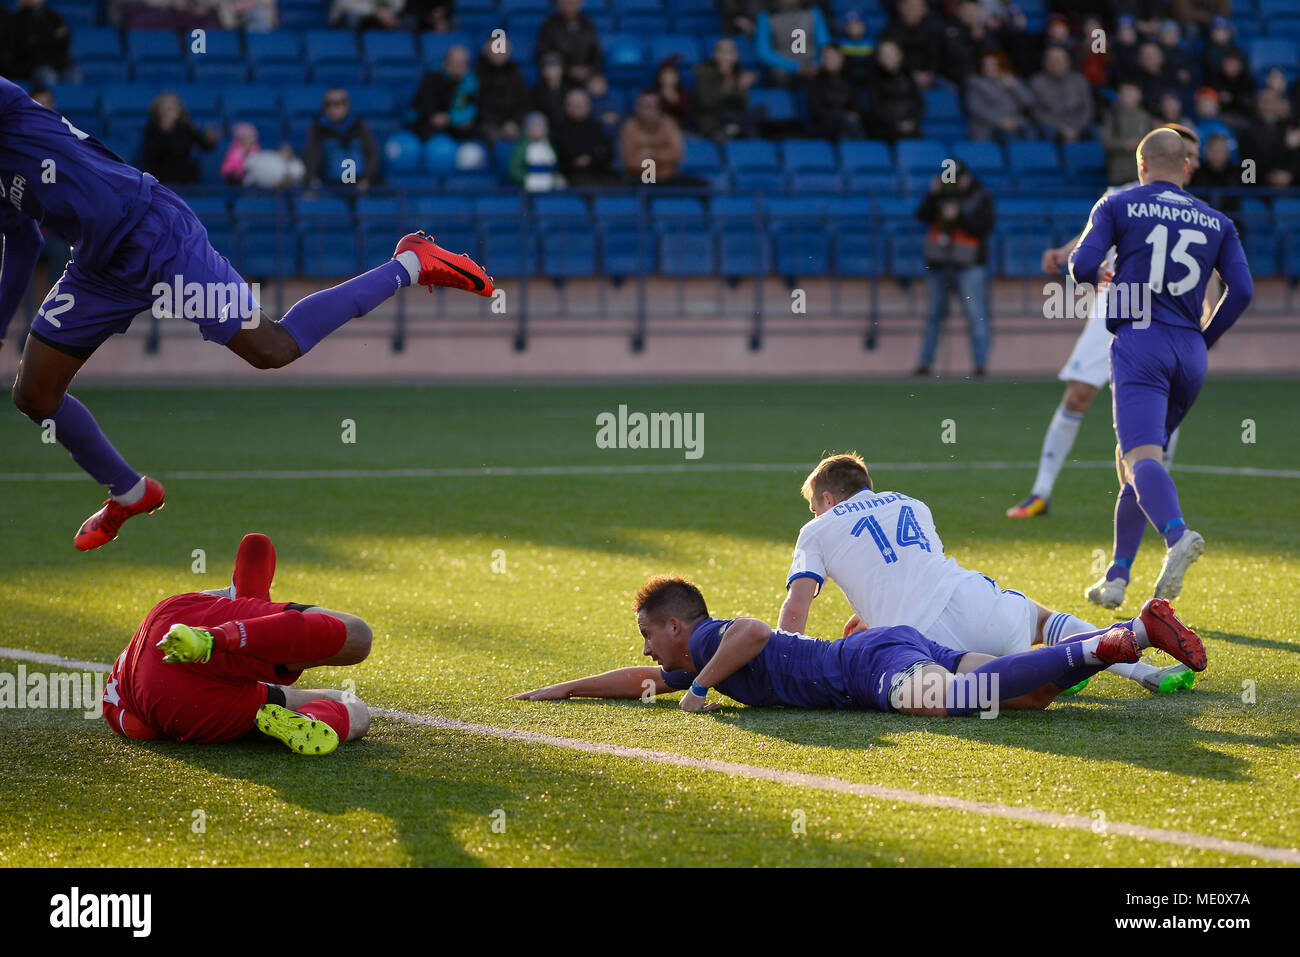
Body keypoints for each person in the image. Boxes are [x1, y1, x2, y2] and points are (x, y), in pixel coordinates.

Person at [0, 77, 493, 551]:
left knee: (270, 348)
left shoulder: (9, 106)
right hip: (97, 267)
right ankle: (130, 493)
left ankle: (411, 263)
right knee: (34, 395)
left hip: (154, 232)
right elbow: (23, 242)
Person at [779, 453, 1194, 695]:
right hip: (981, 612)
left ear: (828, 498)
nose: (814, 514)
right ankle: (1144, 669)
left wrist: (782, 663)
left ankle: (1058, 669)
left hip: (928, 657)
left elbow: (796, 606)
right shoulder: (911, 503)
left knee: (1001, 689)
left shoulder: (816, 530)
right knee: (1041, 620)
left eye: (815, 506)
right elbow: (918, 571)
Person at [510, 574, 1205, 716]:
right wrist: (566, 687)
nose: (651, 653)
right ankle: (1121, 643)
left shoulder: (714, 639)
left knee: (962, 700)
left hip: (868, 667)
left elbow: (755, 630)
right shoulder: (698, 658)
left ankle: (1118, 640)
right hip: (891, 645)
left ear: (675, 626)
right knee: (1022, 697)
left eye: (650, 638)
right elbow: (641, 678)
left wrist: (694, 689)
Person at [1070, 127, 1252, 604]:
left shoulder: (1117, 204)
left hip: (1140, 343)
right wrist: (1203, 338)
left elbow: (1081, 265)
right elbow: (1244, 291)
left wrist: (1102, 275)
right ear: (1187, 166)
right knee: (1132, 460)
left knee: (1140, 459)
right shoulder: (1217, 220)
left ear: (1141, 165)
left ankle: (1177, 536)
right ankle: (1117, 575)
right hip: (1189, 353)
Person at [1007, 124, 1201, 525]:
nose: (1193, 163)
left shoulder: (1193, 210)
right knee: (1078, 395)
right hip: (1112, 312)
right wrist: (1063, 253)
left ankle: (1153, 494)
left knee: (1161, 408)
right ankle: (1040, 492)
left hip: (1160, 318)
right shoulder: (1119, 196)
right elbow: (1090, 236)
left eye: (1195, 157)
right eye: (1188, 155)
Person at [102, 533, 372, 754]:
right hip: (177, 641)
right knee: (357, 645)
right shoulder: (179, 610)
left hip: (173, 701)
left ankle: (306, 719)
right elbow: (129, 721)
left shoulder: (120, 685)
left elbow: (138, 728)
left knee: (347, 697)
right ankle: (223, 634)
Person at [913, 159, 994, 378]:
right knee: (933, 315)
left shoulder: (979, 195)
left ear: (966, 178)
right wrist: (933, 194)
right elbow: (921, 215)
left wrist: (958, 217)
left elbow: (984, 227)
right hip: (939, 263)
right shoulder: (939, 195)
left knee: (975, 314)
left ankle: (980, 365)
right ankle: (925, 364)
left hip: (969, 264)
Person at [304, 87, 381, 188]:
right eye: (327, 104)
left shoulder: (359, 126)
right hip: (330, 186)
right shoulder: (318, 128)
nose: (332, 108)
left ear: (346, 105)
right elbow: (312, 156)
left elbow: (372, 154)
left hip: (360, 185)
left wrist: (367, 179)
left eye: (337, 104)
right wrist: (312, 178)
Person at [139, 91, 220, 186]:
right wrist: (165, 132)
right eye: (166, 107)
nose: (169, 110)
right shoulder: (152, 128)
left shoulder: (187, 127)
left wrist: (210, 139)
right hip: (159, 178)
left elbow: (205, 146)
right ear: (158, 109)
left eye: (173, 107)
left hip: (183, 178)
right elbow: (151, 153)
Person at [407, 46, 479, 142]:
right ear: (447, 62)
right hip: (426, 123)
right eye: (455, 63)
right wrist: (435, 116)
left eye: (463, 63)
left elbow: (473, 108)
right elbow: (426, 108)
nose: (459, 67)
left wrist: (451, 118)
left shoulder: (470, 82)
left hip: (454, 125)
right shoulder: (432, 78)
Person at [693, 37, 757, 143]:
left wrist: (743, 88)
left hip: (734, 121)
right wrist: (728, 87)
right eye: (723, 52)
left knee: (753, 136)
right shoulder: (704, 72)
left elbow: (742, 105)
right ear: (714, 55)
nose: (726, 56)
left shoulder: (737, 73)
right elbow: (706, 103)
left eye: (730, 52)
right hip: (711, 123)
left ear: (736, 56)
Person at [965, 50, 1036, 142]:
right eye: (986, 65)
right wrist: (1000, 121)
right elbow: (976, 109)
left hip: (1016, 122)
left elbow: (1029, 102)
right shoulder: (975, 83)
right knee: (1010, 135)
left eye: (993, 65)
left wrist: (1015, 86)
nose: (989, 68)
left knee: (1032, 133)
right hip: (990, 125)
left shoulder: (1012, 82)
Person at [619, 90, 688, 185]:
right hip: (640, 180)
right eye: (647, 106)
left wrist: (650, 154)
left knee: (702, 186)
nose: (652, 110)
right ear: (638, 108)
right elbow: (631, 162)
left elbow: (676, 155)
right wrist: (663, 157)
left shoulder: (669, 124)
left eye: (656, 106)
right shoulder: (629, 127)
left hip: (669, 178)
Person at [1029, 46, 1094, 143]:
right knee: (1047, 131)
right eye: (1052, 61)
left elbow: (1087, 108)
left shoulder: (1079, 80)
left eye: (1059, 60)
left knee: (1097, 132)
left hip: (1077, 124)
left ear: (1067, 62)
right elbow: (1037, 111)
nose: (1056, 64)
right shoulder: (1037, 82)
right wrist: (1061, 128)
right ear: (1045, 63)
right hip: (1052, 125)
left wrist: (1075, 127)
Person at [552, 88, 616, 186]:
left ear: (589, 105)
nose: (578, 106)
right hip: (572, 176)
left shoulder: (597, 127)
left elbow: (607, 154)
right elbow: (562, 156)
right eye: (574, 104)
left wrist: (590, 160)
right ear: (566, 107)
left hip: (599, 173)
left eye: (581, 103)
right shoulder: (559, 129)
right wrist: (576, 162)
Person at [864, 39, 923, 142]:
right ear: (879, 58)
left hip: (910, 126)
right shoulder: (873, 79)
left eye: (891, 53)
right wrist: (896, 124)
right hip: (884, 129)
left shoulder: (908, 76)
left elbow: (919, 102)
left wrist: (912, 121)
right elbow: (875, 107)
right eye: (884, 54)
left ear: (900, 55)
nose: (888, 57)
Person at [535, 0, 602, 86]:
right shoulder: (549, 26)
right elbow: (544, 53)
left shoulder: (588, 24)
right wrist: (567, 70)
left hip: (586, 76)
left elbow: (596, 53)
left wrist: (589, 70)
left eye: (574, 2)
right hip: (560, 77)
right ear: (559, 3)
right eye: (566, 2)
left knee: (598, 85)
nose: (570, 5)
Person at [805, 45, 863, 141]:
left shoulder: (849, 81)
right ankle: (862, 146)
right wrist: (842, 116)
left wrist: (853, 115)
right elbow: (817, 110)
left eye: (834, 57)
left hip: (846, 124)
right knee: (842, 121)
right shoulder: (815, 82)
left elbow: (855, 106)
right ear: (822, 60)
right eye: (828, 58)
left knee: (846, 132)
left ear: (841, 59)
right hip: (823, 124)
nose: (831, 61)